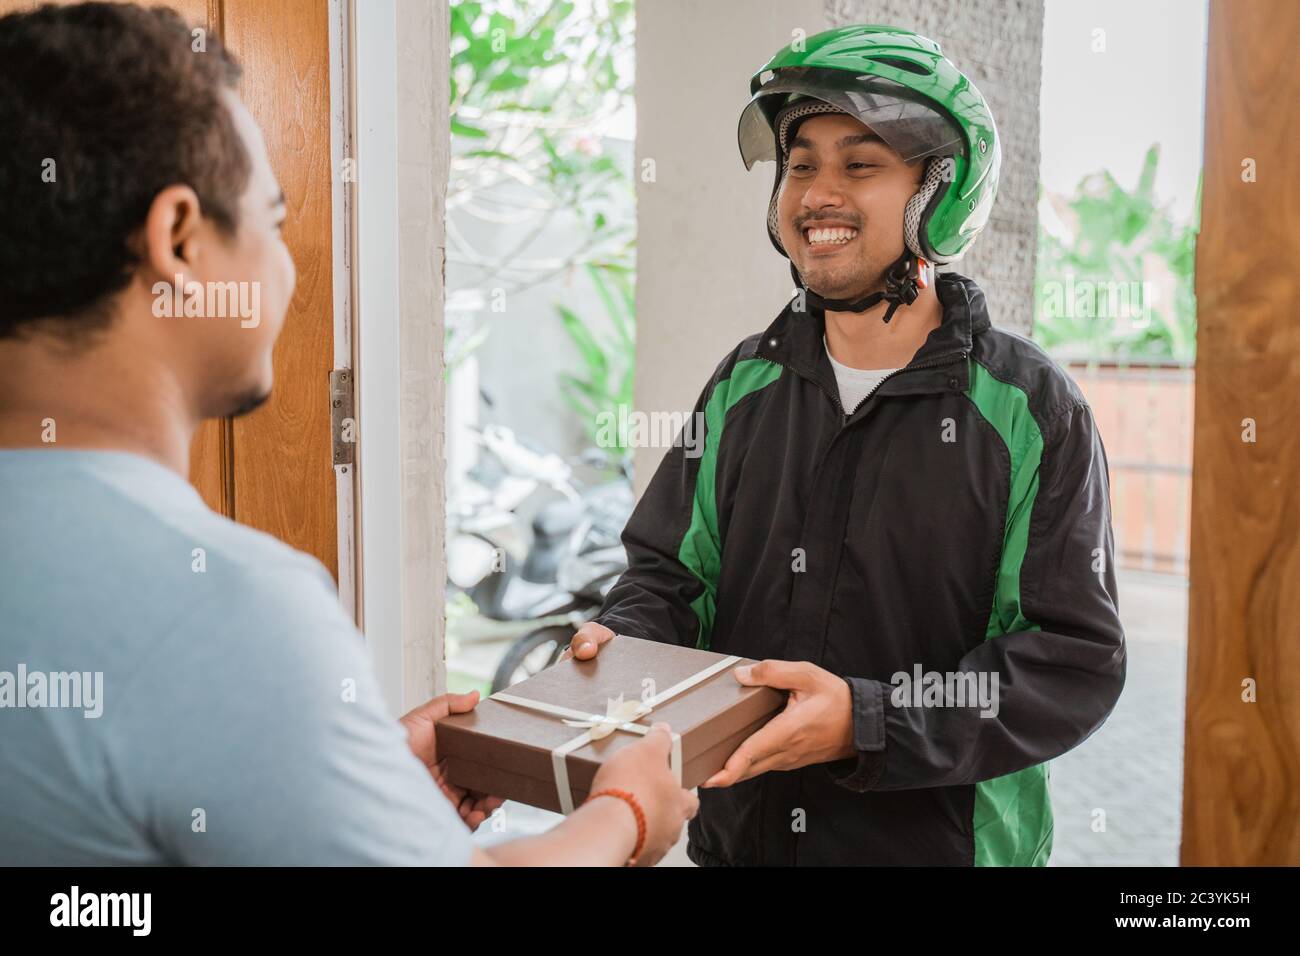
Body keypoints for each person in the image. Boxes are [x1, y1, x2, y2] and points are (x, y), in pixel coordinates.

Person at [0, 1, 696, 866]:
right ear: (179, 239)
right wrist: (625, 813)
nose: (287, 267)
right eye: (274, 221)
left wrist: (347, 780)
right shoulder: (226, 607)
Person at [566, 24, 1127, 866]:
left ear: (937, 192)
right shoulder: (745, 384)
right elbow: (670, 578)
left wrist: (868, 722)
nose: (818, 193)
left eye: (861, 165)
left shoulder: (1029, 410)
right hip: (739, 844)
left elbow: (1068, 662)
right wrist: (624, 645)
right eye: (802, 165)